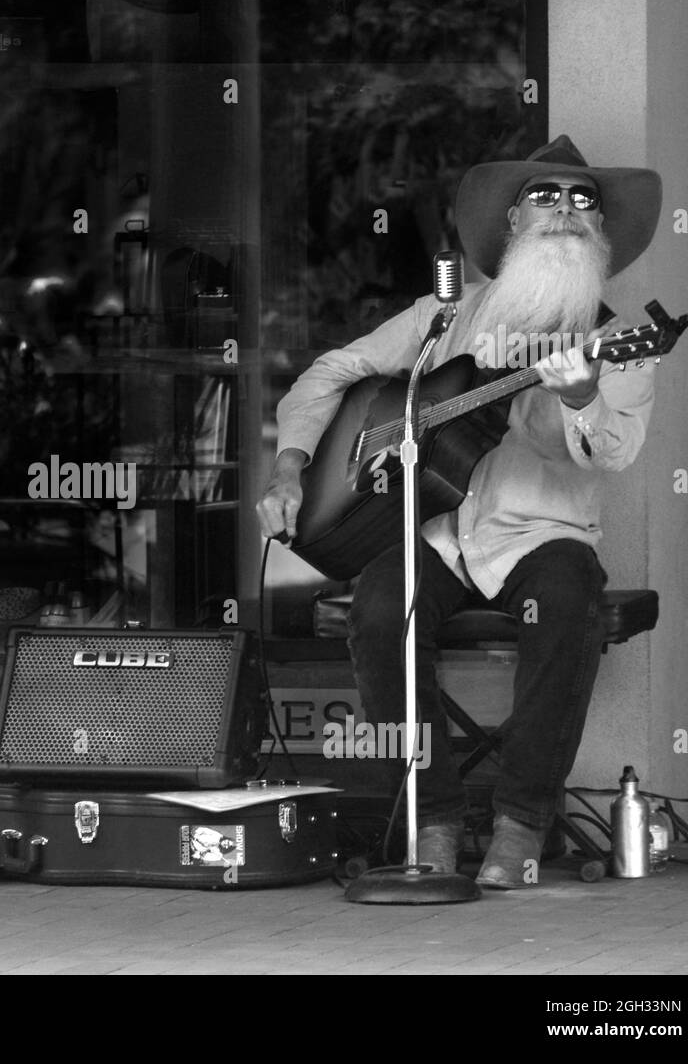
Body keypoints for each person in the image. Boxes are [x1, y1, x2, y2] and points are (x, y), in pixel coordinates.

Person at [255, 136, 662, 888]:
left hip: (547, 538)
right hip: (439, 534)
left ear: (599, 230)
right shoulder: (447, 320)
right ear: (512, 222)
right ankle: (430, 819)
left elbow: (616, 450)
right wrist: (291, 466)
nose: (567, 211)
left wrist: (578, 396)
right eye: (546, 196)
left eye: (584, 200)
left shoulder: (618, 341)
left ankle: (522, 825)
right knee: (378, 608)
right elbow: (329, 374)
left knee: (568, 601)